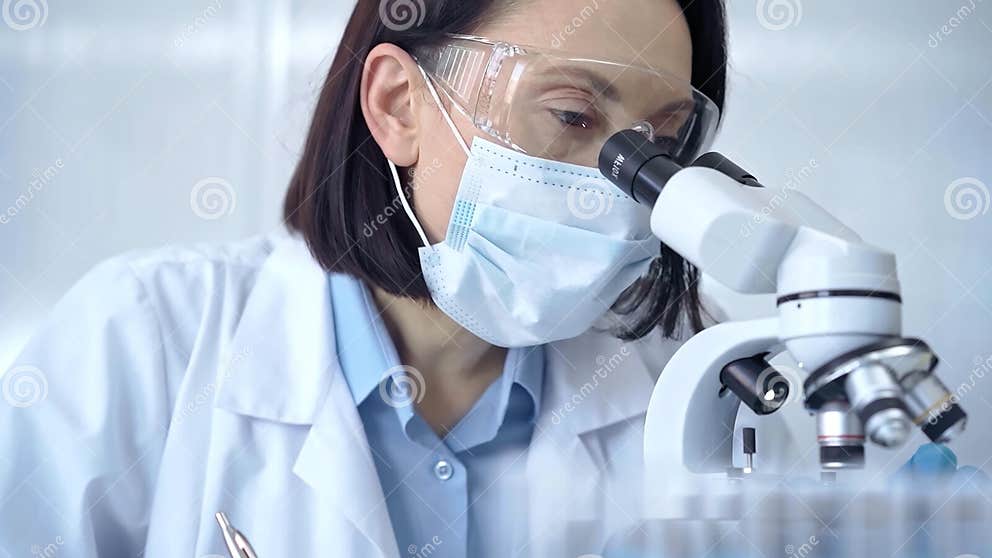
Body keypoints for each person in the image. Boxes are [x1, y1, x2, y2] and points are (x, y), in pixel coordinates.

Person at [0, 1, 978, 557]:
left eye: (659, 144)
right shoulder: (146, 341)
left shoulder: (690, 386)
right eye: (571, 116)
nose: (617, 189)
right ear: (399, 106)